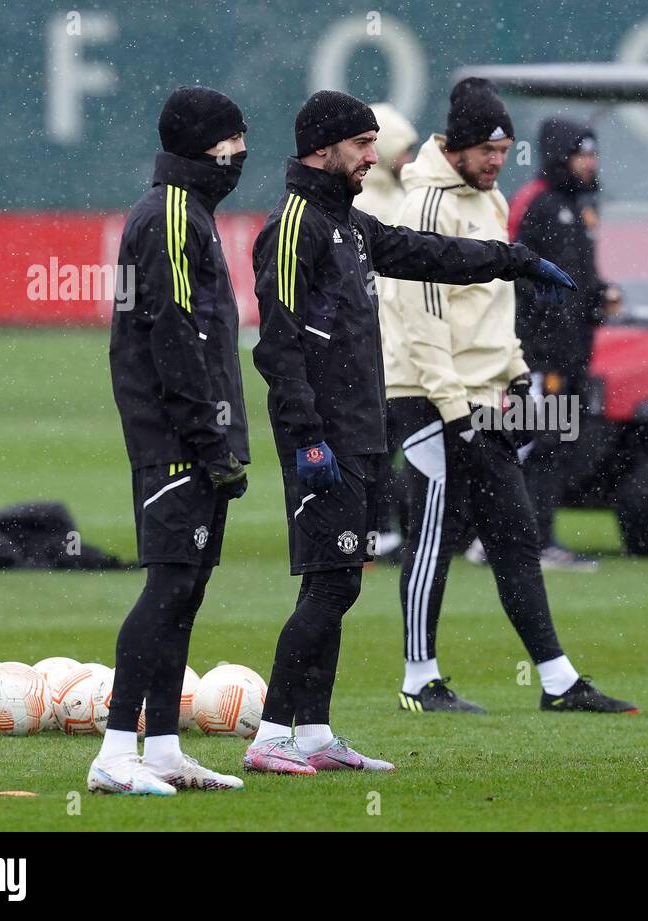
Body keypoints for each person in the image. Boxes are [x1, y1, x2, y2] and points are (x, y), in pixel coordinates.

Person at [242, 89, 581, 774]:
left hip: (364, 436)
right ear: (323, 148)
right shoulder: (293, 226)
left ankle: (313, 734)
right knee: (330, 586)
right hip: (324, 443)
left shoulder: (353, 225)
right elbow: (277, 348)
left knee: (337, 584)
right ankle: (271, 732)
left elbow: (430, 254)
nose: (375, 156)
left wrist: (510, 259)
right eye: (363, 145)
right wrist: (307, 437)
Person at [381, 78, 638, 715]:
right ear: (459, 145)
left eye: (505, 151)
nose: (499, 162)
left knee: (515, 534)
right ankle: (418, 679)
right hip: (429, 397)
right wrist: (453, 408)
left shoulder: (489, 199)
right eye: (488, 151)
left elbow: (497, 307)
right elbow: (421, 320)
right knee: (433, 537)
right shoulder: (425, 209)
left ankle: (557, 682)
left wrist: (516, 372)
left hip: (486, 394)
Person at [92, 86, 251, 796]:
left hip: (191, 435)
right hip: (177, 440)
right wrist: (211, 440)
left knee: (186, 588)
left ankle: (160, 747)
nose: (242, 154)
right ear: (204, 145)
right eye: (233, 141)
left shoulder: (187, 212)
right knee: (166, 587)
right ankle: (114, 750)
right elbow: (177, 337)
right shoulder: (172, 216)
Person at [511, 118, 621, 571]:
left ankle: (507, 538)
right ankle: (533, 541)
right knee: (539, 443)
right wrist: (542, 340)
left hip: (572, 351)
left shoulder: (577, 206)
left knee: (553, 444)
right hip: (540, 355)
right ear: (560, 157)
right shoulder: (538, 205)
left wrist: (601, 296)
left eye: (592, 154)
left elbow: (577, 280)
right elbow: (527, 282)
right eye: (582, 154)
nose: (590, 163)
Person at [354, 102, 420, 560]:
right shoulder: (373, 206)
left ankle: (381, 528)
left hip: (393, 349)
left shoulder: (392, 202)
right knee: (379, 446)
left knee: (383, 445)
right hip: (378, 348)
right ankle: (381, 529)